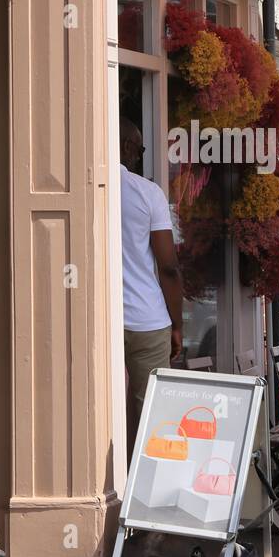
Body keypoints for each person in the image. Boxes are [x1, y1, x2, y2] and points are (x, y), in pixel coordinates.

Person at [120, 118, 183, 450]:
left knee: (102, 411)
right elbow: (168, 267)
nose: (141, 156)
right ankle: (151, 490)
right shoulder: (146, 193)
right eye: (141, 149)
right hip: (147, 320)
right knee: (153, 415)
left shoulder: (84, 190)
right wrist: (177, 325)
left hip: (101, 323)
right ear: (129, 147)